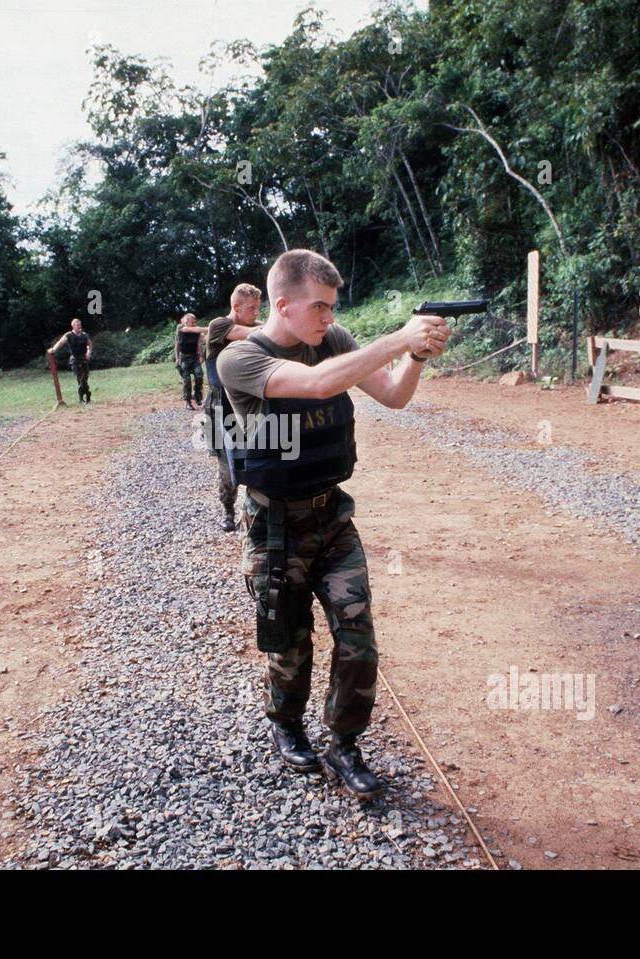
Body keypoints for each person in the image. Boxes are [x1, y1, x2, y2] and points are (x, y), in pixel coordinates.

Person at [216, 249, 448, 800]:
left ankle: (346, 743)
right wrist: (397, 337)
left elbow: (392, 395)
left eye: (332, 307)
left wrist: (415, 355)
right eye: (319, 307)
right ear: (282, 305)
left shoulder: (334, 339)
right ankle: (287, 723)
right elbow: (319, 384)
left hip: (332, 517)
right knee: (290, 645)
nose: (328, 319)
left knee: (359, 640)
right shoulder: (239, 359)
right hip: (275, 527)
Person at [202, 283, 261, 531]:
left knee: (258, 461)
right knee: (228, 470)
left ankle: (254, 514)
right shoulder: (219, 325)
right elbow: (257, 333)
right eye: (251, 308)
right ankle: (228, 511)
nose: (256, 313)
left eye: (259, 308)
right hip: (220, 409)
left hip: (248, 406)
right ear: (236, 307)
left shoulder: (254, 327)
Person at [48, 318, 92, 403]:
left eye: (80, 325)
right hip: (75, 360)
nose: (79, 326)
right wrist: (54, 349)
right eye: (77, 325)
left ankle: (87, 394)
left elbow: (89, 344)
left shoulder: (84, 335)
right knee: (80, 378)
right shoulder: (69, 335)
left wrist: (89, 353)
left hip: (84, 359)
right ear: (73, 326)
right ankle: (81, 398)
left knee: (85, 378)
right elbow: (60, 343)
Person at [174, 313, 205, 410]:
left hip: (194, 357)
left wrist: (201, 355)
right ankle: (188, 402)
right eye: (192, 322)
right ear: (186, 322)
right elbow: (177, 345)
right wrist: (177, 358)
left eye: (195, 322)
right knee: (187, 381)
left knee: (199, 375)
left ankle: (197, 396)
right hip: (184, 358)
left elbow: (199, 344)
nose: (194, 323)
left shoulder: (197, 332)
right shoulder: (180, 328)